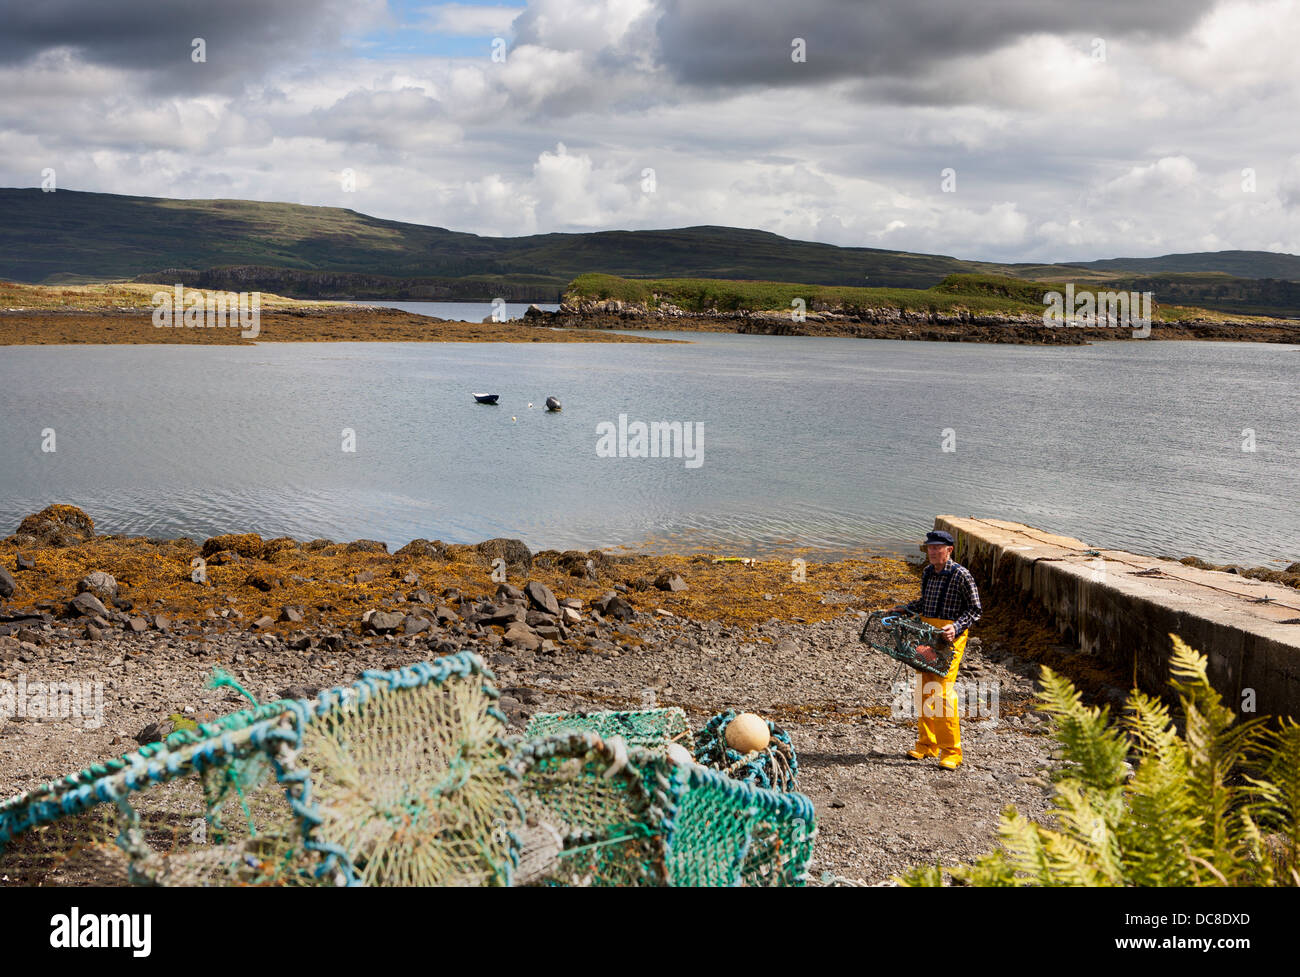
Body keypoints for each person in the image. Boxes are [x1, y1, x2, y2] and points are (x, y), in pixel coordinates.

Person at [888, 529, 982, 770]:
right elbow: (924, 603)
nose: (931, 551)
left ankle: (952, 752)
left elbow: (975, 609)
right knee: (922, 689)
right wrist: (905, 609)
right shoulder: (928, 572)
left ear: (948, 550)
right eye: (929, 547)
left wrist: (956, 627)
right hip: (927, 634)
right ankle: (926, 745)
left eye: (936, 547)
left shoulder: (962, 575)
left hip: (950, 638)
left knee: (941, 693)